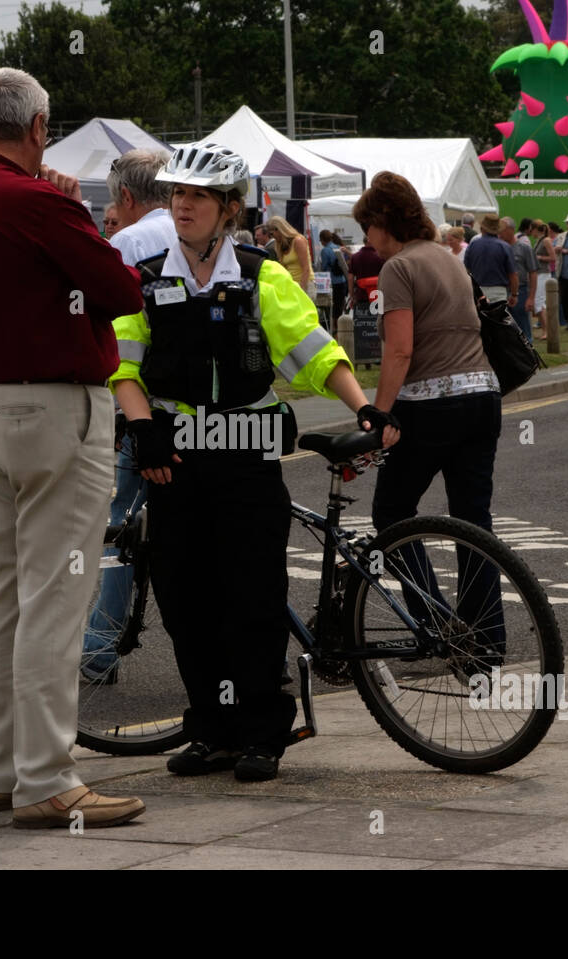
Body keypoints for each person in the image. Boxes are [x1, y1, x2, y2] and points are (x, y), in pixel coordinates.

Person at [111, 144, 394, 784]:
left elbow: (315, 353)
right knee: (186, 604)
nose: (182, 205)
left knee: (252, 601)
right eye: (177, 194)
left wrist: (364, 409)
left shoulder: (263, 278)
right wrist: (141, 427)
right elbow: (121, 363)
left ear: (229, 210)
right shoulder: (148, 279)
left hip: (246, 463)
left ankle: (262, 734)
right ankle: (212, 731)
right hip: (174, 464)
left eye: (198, 197)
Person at [0, 67, 146, 827]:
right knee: (57, 593)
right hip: (52, 405)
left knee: (7, 588)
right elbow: (120, 289)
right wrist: (69, 202)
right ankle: (46, 776)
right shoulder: (38, 200)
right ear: (37, 129)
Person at [353, 171, 504, 666]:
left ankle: (435, 624)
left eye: (367, 229)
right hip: (483, 397)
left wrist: (378, 413)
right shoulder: (449, 258)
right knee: (473, 522)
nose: (365, 241)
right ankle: (486, 641)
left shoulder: (399, 267)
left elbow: (399, 352)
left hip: (431, 404)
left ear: (383, 222)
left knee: (392, 515)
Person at [83, 148, 179, 681]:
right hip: (205, 410)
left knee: (124, 527)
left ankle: (100, 646)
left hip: (139, 404)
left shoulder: (125, 243)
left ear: (124, 196)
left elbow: (104, 324)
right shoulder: (198, 232)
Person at [463, 213, 517, 310]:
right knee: (499, 322)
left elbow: (466, 270)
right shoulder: (504, 247)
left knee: (480, 323)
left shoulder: (473, 245)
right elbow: (512, 274)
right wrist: (514, 294)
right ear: (498, 230)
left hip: (477, 291)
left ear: (482, 228)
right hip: (498, 292)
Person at [500, 216, 537, 341]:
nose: (499, 232)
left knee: (522, 326)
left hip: (520, 291)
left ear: (511, 230)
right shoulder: (499, 247)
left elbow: (532, 272)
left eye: (502, 229)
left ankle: (528, 353)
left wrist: (531, 298)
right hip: (502, 290)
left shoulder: (524, 248)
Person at [266, 215, 313, 297]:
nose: (272, 237)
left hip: (304, 285)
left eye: (271, 233)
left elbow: (306, 268)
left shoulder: (298, 240)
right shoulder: (279, 245)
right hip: (291, 285)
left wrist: (301, 290)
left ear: (279, 229)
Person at [529, 219, 554, 336]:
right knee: (538, 302)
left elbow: (553, 258)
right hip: (538, 274)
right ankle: (545, 330)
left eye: (531, 229)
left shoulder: (546, 241)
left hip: (543, 274)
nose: (530, 232)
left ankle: (546, 331)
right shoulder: (539, 241)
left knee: (539, 302)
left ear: (535, 229)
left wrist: (539, 258)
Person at [319, 229, 350, 320]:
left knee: (333, 308)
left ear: (322, 239)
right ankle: (341, 325)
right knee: (340, 306)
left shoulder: (325, 250)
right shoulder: (338, 247)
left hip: (333, 281)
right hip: (342, 280)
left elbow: (324, 267)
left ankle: (335, 329)